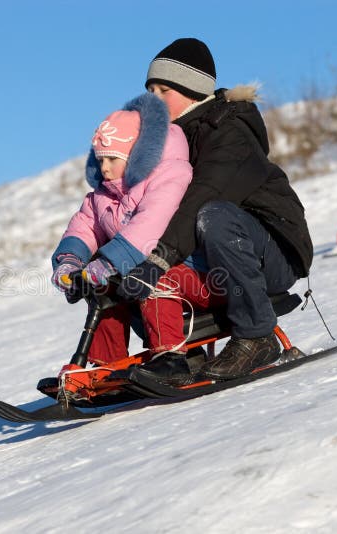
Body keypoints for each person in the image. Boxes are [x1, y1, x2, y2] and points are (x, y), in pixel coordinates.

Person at [120, 38, 314, 385]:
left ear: (192, 89)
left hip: (272, 254)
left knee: (213, 214)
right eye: (150, 90)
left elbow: (202, 197)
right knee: (129, 269)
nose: (154, 99)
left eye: (164, 89)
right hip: (217, 255)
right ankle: (180, 354)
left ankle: (257, 336)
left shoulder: (229, 132)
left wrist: (160, 256)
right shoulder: (170, 142)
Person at [51, 92, 194, 368]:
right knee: (98, 285)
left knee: (151, 276)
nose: (103, 169)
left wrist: (110, 262)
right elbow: (84, 226)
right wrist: (70, 261)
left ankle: (170, 358)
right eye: (100, 160)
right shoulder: (103, 195)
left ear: (134, 156)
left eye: (112, 159)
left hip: (187, 269)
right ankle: (107, 366)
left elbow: (152, 223)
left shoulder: (169, 176)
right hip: (136, 271)